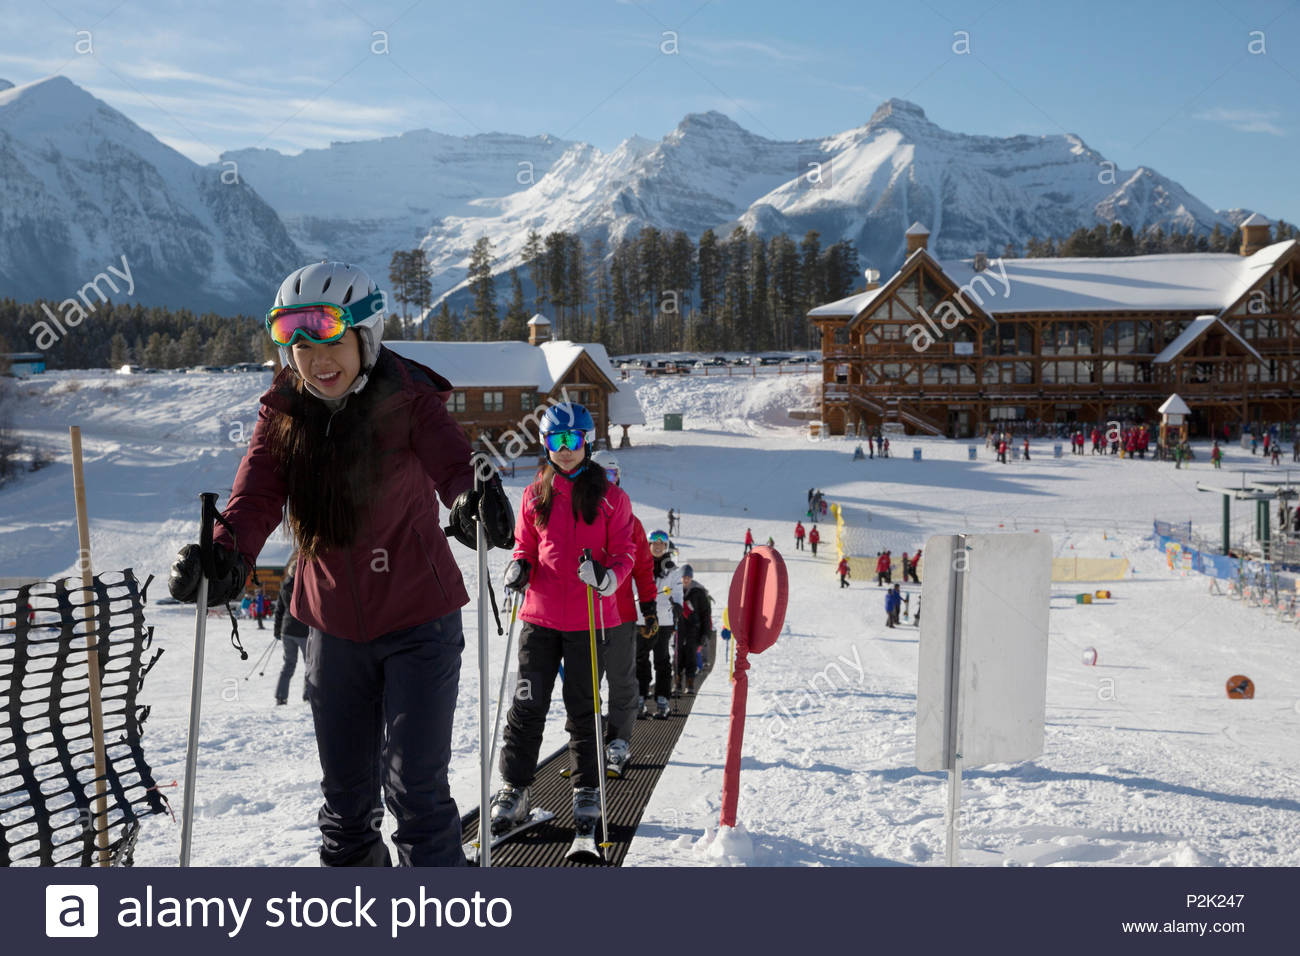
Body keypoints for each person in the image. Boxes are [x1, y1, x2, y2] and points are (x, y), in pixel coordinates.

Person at [167, 260, 514, 867]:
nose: (314, 358)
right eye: (297, 344)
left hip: (419, 621)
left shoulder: (409, 398)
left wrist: (470, 505)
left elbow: (455, 468)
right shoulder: (282, 413)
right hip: (332, 627)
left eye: (329, 338)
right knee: (347, 809)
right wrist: (225, 556)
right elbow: (254, 500)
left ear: (366, 334)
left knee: (418, 799)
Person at [493, 402, 636, 838]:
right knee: (526, 705)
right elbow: (525, 546)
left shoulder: (612, 498)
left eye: (574, 440)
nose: (566, 449)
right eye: (557, 441)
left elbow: (625, 552)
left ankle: (587, 790)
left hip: (589, 619)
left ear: (588, 442)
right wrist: (519, 566)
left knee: (583, 708)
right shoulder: (535, 493)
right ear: (546, 444)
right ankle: (515, 789)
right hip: (539, 618)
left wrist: (608, 578)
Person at [591, 450, 657, 777]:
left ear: (620, 479)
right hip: (582, 615)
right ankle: (585, 745)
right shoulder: (578, 516)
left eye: (612, 477)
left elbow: (644, 568)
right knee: (584, 683)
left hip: (620, 615)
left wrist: (649, 606)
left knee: (621, 681)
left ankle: (618, 743)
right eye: (600, 476)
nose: (606, 483)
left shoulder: (632, 521)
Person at [639, 529, 682, 716]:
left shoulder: (672, 568)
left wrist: (678, 606)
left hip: (663, 620)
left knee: (662, 659)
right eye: (654, 544)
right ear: (648, 545)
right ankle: (640, 695)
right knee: (639, 658)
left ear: (665, 547)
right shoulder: (640, 564)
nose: (657, 547)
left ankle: (662, 698)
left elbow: (678, 591)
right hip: (642, 619)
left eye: (661, 545)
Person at [273, 557, 310, 705]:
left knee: (288, 663)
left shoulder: (284, 586)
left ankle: (281, 696)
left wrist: (277, 630)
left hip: (287, 629)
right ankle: (308, 695)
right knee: (310, 663)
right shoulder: (305, 585)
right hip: (303, 630)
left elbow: (279, 609)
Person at [676, 564, 713, 695]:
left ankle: (690, 683)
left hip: (693, 629)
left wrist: (705, 633)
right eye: (683, 577)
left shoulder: (698, 592)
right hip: (678, 629)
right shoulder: (675, 590)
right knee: (677, 657)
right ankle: (677, 682)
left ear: (691, 578)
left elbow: (705, 614)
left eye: (688, 577)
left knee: (691, 657)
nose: (685, 579)